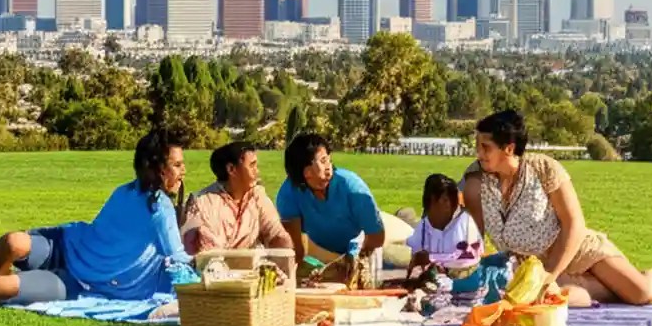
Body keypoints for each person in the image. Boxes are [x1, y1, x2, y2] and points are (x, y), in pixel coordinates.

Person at [461, 110, 652, 304]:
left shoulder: (544, 168)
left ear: (508, 148)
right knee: (581, 299)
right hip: (529, 265)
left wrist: (550, 275)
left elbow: (574, 225)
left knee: (640, 293)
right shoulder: (476, 179)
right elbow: (457, 218)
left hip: (578, 251)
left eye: (486, 147)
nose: (479, 152)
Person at [0, 130, 192, 306]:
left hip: (82, 284)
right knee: (13, 242)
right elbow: (178, 257)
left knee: (3, 286)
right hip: (68, 247)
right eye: (177, 165)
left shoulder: (159, 208)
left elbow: (177, 259)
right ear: (156, 167)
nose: (183, 171)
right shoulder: (129, 193)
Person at [277, 133, 386, 282]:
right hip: (320, 254)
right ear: (305, 171)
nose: (329, 166)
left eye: (328, 159)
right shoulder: (288, 193)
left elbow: (376, 237)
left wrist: (355, 261)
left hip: (364, 250)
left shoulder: (352, 187)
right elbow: (295, 248)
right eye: (322, 161)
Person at [181, 141, 293, 254]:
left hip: (255, 268)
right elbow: (208, 253)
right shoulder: (202, 203)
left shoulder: (257, 195)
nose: (257, 171)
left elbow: (275, 232)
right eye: (252, 165)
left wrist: (284, 249)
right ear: (231, 169)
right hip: (216, 268)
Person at [405, 173, 481, 271]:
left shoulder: (465, 223)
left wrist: (431, 258)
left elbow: (467, 259)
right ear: (431, 200)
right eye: (444, 200)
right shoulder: (424, 225)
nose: (449, 204)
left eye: (450, 200)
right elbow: (414, 252)